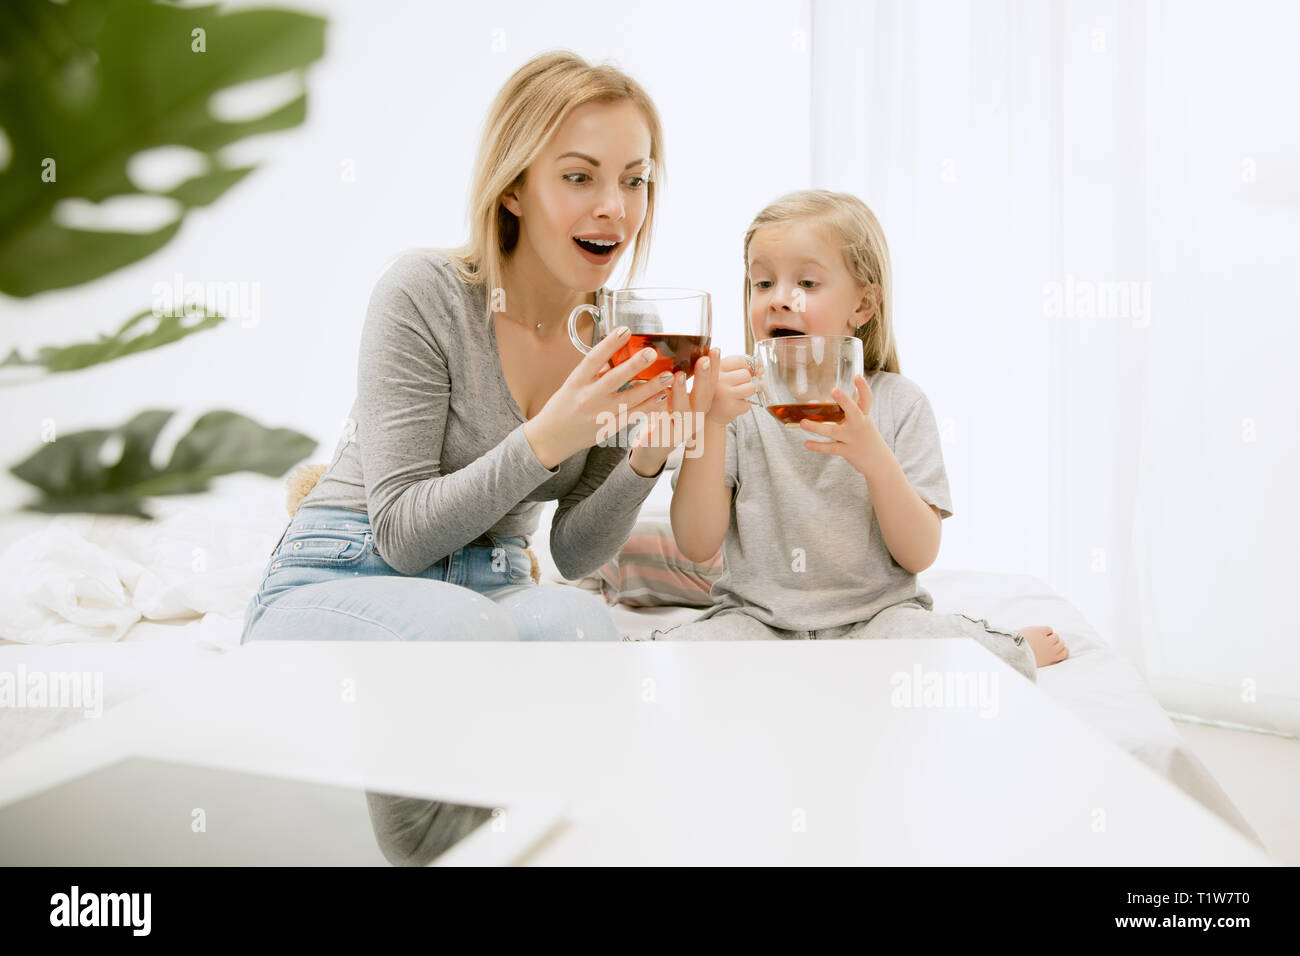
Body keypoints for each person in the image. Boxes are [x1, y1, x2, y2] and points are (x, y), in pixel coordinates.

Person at [241, 52, 693, 644]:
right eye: (579, 177)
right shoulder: (424, 292)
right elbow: (402, 536)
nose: (616, 207)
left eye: (635, 180)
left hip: (492, 581)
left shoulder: (626, 332)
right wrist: (548, 437)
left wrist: (648, 455)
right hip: (347, 564)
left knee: (583, 625)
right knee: (466, 629)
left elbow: (574, 552)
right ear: (513, 190)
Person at [648, 189, 1069, 678]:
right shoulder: (734, 408)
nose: (779, 298)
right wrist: (711, 422)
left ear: (863, 304)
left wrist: (874, 458)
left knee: (945, 646)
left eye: (806, 282)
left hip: (877, 623)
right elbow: (695, 544)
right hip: (759, 623)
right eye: (762, 283)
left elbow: (919, 553)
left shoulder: (901, 403)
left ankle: (1009, 645)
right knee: (666, 659)